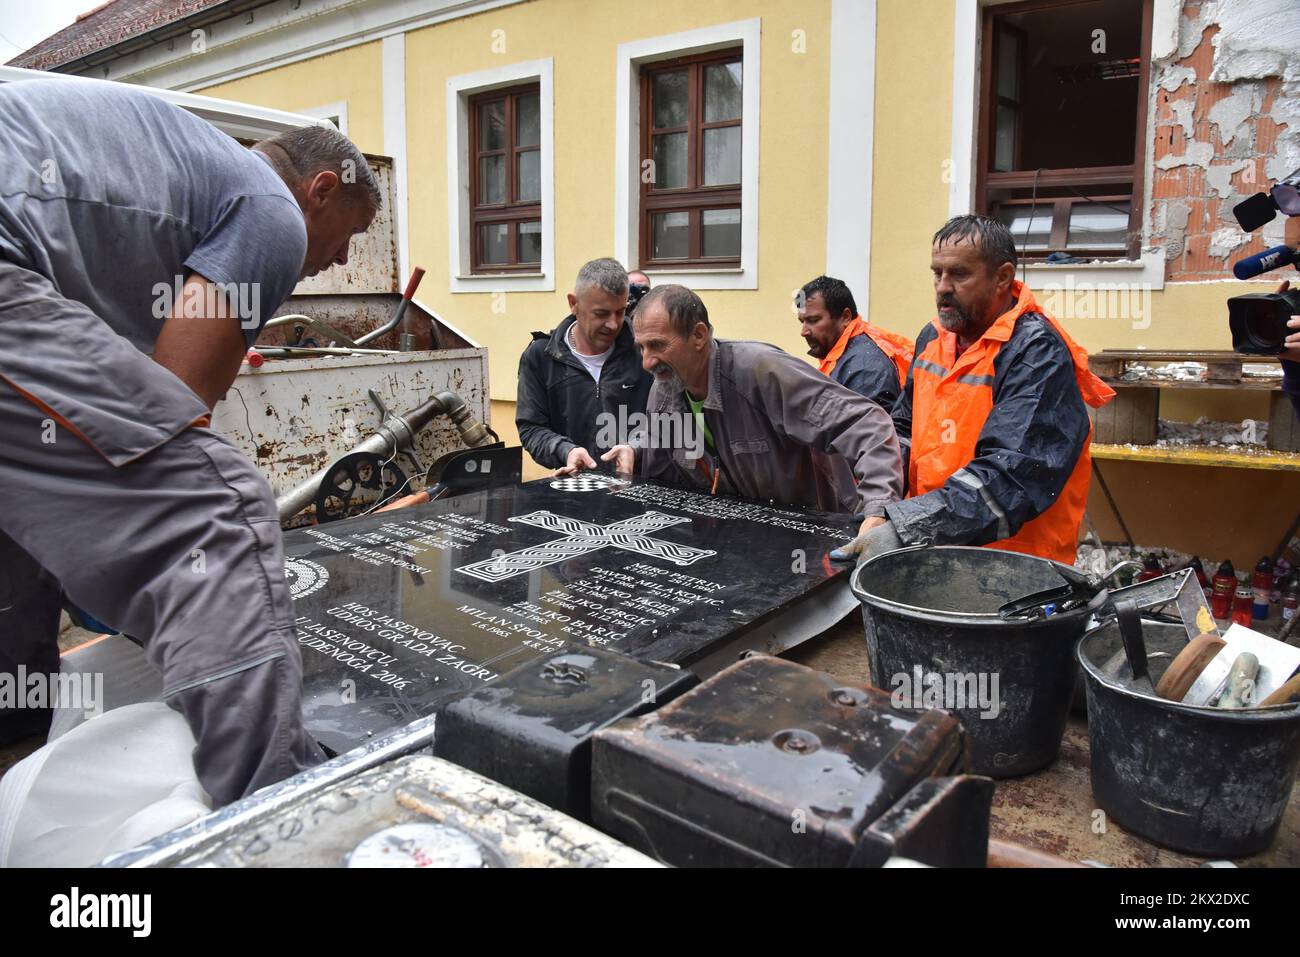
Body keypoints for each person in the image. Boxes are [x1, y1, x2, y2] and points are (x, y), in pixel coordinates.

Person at [0, 77, 379, 805]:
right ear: (321, 190)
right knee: (213, 511)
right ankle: (278, 824)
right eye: (350, 238)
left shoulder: (182, 168)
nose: (337, 263)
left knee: (18, 546)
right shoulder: (272, 210)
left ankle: (13, 760)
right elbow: (177, 410)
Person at [835, 215, 1115, 566]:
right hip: (935, 551)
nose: (942, 287)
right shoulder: (933, 337)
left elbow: (1011, 476)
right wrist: (877, 499)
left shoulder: (1036, 351)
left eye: (959, 274)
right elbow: (904, 430)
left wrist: (903, 529)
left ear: (1003, 278)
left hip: (1012, 571)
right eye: (937, 273)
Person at [623, 284, 903, 542]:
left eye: (658, 345)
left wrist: (877, 511)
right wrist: (634, 452)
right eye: (641, 348)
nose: (647, 362)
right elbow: (660, 479)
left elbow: (867, 424)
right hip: (743, 547)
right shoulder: (664, 388)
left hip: (817, 542)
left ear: (698, 335)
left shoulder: (761, 371)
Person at [516, 258, 652, 474]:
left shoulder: (645, 350)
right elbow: (531, 428)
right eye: (601, 313)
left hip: (638, 494)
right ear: (574, 303)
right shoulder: (540, 357)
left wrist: (635, 449)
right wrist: (565, 450)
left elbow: (671, 422)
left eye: (620, 311)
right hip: (574, 495)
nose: (613, 324)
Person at [797, 275, 914, 410]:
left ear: (845, 317)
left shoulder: (866, 368)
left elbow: (868, 429)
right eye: (802, 322)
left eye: (813, 320)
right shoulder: (847, 355)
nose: (803, 331)